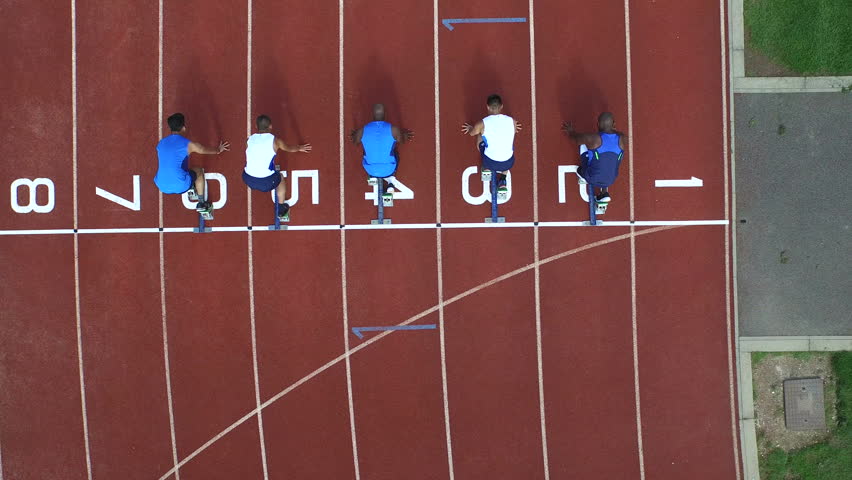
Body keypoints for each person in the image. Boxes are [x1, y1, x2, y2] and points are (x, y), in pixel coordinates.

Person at [154, 113, 230, 213]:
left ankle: (190, 185)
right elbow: (203, 150)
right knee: (198, 171)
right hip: (181, 185)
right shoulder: (188, 144)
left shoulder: (161, 143)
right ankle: (202, 203)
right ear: (184, 128)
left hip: (161, 185)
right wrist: (218, 150)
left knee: (179, 166)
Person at [244, 114, 311, 220]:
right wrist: (299, 148)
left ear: (256, 127)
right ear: (270, 126)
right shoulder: (275, 141)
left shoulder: (249, 139)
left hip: (248, 179)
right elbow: (288, 148)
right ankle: (281, 209)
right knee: (280, 178)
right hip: (265, 182)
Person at [562, 112, 626, 203]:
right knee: (608, 159)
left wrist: (571, 131)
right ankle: (604, 192)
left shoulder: (593, 138)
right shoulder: (623, 138)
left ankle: (583, 176)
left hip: (591, 178)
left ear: (598, 124)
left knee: (583, 144)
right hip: (611, 179)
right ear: (614, 124)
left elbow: (575, 139)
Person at [461, 94, 522, 189]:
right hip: (509, 163)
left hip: (490, 162)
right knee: (508, 145)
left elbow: (472, 133)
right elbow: (513, 130)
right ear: (501, 106)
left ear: (487, 107)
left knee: (480, 134)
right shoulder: (512, 121)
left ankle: (486, 168)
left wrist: (470, 128)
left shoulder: (482, 123)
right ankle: (503, 179)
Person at [349, 103, 413, 192]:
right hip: (389, 169)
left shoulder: (362, 130)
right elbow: (402, 140)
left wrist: (357, 134)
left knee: (366, 149)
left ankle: (373, 176)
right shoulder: (394, 129)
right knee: (395, 152)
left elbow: (354, 141)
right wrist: (405, 134)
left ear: (372, 115)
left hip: (370, 169)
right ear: (385, 114)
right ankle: (391, 179)